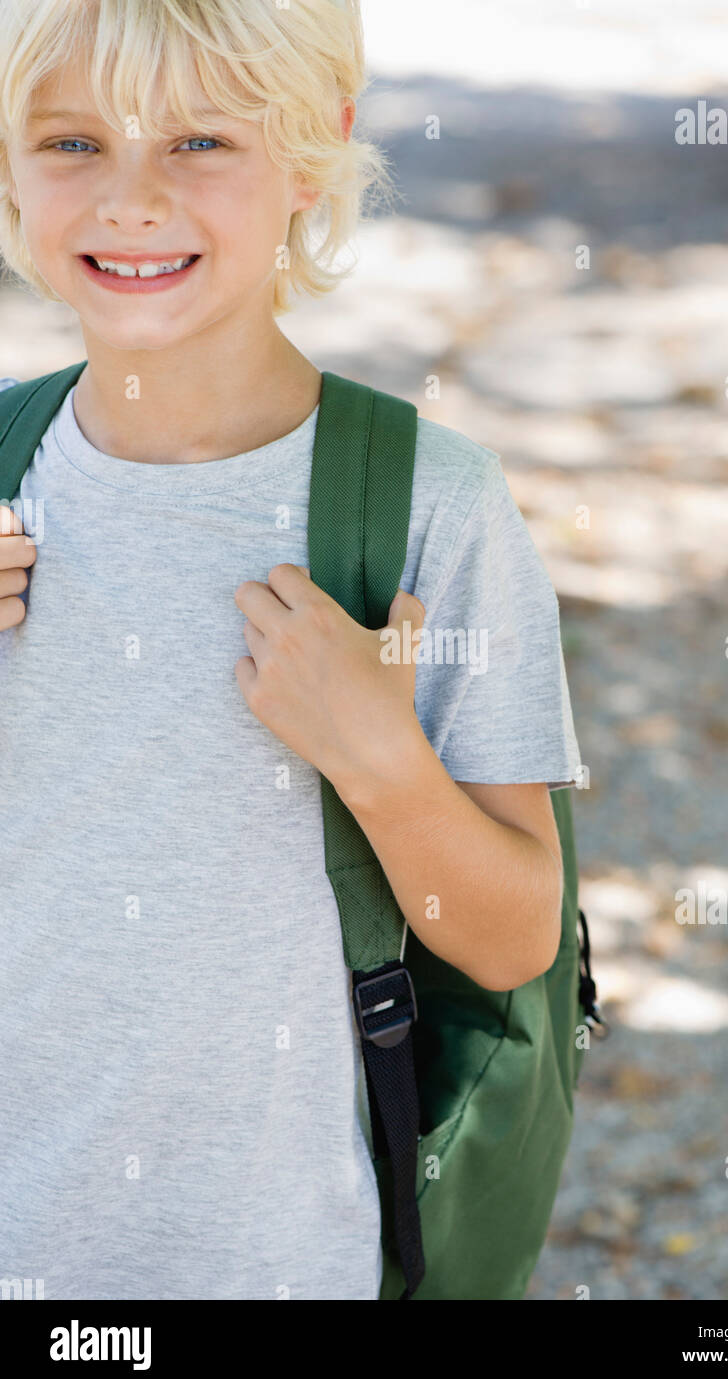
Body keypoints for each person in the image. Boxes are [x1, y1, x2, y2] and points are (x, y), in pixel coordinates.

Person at [0, 0, 581, 1300]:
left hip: (281, 1263)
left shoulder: (432, 508)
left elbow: (506, 944)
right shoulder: (4, 477)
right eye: (72, 143)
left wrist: (383, 764)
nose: (131, 200)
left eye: (201, 140)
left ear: (317, 151)